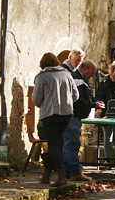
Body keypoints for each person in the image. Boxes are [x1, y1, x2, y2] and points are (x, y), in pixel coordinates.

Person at [28, 52, 78, 187]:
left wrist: (45, 104)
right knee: (58, 142)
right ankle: (46, 174)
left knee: (53, 144)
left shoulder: (42, 76)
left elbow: (36, 99)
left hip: (50, 114)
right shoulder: (67, 74)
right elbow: (75, 95)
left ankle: (61, 175)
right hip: (66, 114)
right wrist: (66, 103)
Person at [63, 59, 101, 182]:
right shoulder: (78, 80)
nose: (92, 76)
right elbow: (79, 101)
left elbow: (85, 98)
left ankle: (67, 170)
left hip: (69, 116)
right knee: (73, 144)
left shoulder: (79, 79)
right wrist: (93, 104)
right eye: (91, 73)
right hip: (73, 116)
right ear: (84, 69)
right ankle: (75, 172)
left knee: (67, 145)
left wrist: (94, 102)